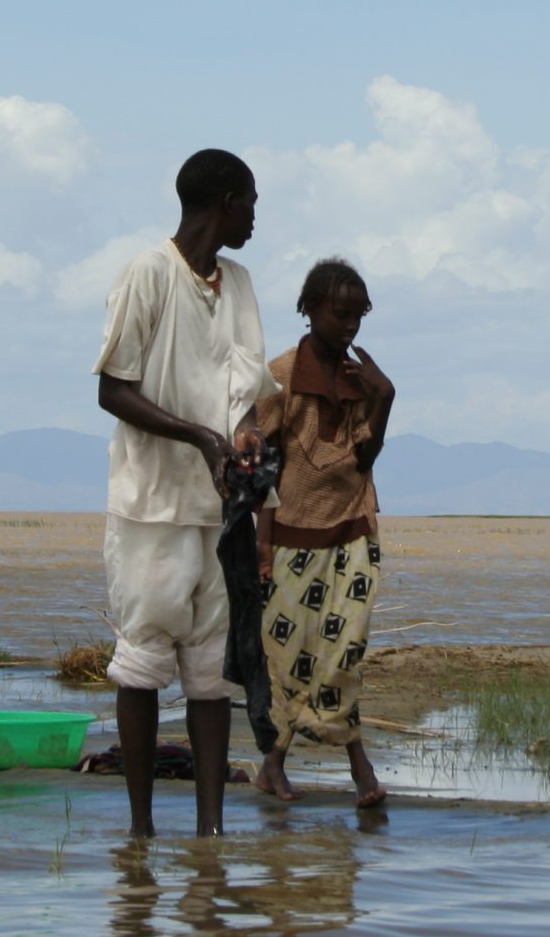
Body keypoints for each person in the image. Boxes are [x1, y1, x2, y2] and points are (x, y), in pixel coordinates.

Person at [93, 148, 278, 837]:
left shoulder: (239, 282)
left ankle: (210, 835)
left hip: (218, 510)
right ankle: (140, 831)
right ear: (225, 200)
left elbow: (246, 394)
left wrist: (247, 434)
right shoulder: (149, 273)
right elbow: (113, 388)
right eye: (252, 201)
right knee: (142, 661)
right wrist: (200, 437)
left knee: (210, 673)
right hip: (151, 504)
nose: (257, 216)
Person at [250, 258, 393, 808]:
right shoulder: (280, 376)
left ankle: (354, 768)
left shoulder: (362, 383)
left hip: (353, 530)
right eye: (341, 315)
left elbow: (363, 459)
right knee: (291, 659)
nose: (351, 328)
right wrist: (262, 543)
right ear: (309, 310)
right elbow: (260, 463)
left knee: (344, 653)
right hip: (290, 538)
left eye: (359, 316)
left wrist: (384, 401)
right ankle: (279, 765)